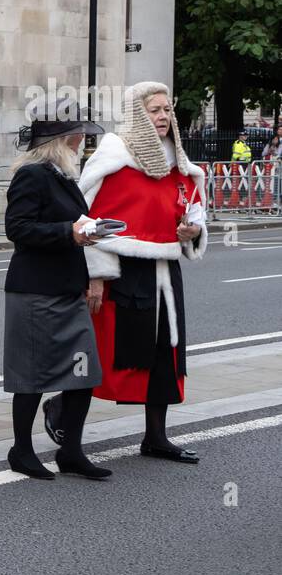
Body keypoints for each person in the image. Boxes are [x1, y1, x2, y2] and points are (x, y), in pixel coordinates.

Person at [76, 81, 207, 465]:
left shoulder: (178, 162)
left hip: (165, 270)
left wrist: (193, 232)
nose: (164, 116)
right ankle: (61, 417)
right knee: (110, 355)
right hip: (122, 270)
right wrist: (96, 274)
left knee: (166, 352)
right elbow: (85, 216)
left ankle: (156, 436)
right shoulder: (113, 155)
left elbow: (193, 211)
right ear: (137, 114)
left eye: (167, 109)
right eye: (155, 110)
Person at [0, 104, 110, 479]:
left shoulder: (63, 178)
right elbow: (18, 228)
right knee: (30, 377)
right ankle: (22, 450)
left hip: (66, 289)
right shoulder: (32, 176)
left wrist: (92, 232)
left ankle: (71, 450)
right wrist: (69, 232)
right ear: (61, 141)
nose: (82, 142)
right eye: (77, 135)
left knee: (85, 374)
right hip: (35, 291)